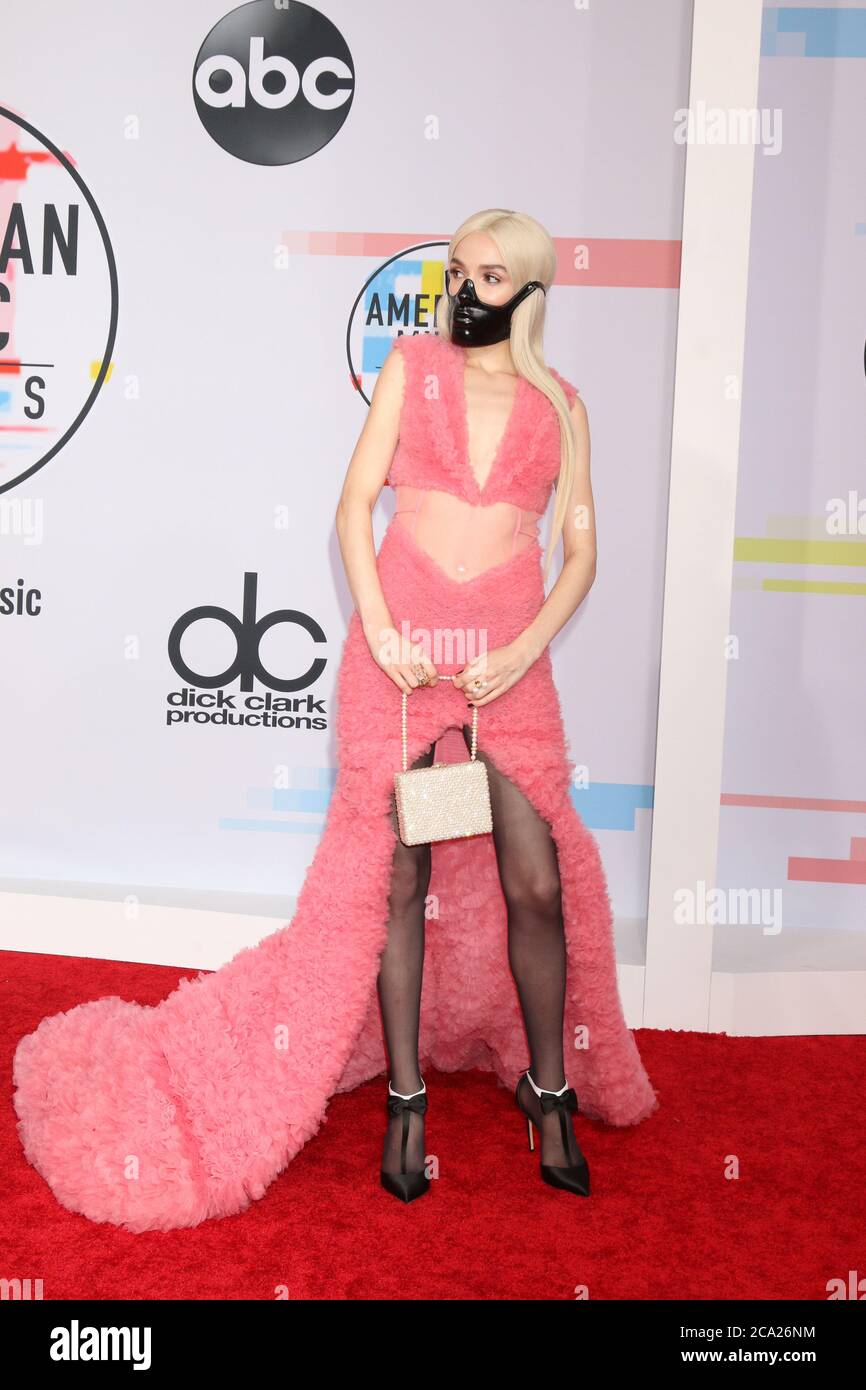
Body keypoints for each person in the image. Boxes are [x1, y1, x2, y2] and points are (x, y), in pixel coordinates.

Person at [12, 209, 657, 1233]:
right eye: (455, 270)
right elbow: (352, 507)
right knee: (394, 876)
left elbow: (578, 552)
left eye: (488, 275)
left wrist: (522, 649)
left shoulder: (562, 406)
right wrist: (385, 629)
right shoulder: (412, 366)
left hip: (505, 667)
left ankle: (552, 1089)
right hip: (396, 664)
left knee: (537, 878)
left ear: (528, 291)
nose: (463, 289)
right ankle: (405, 1099)